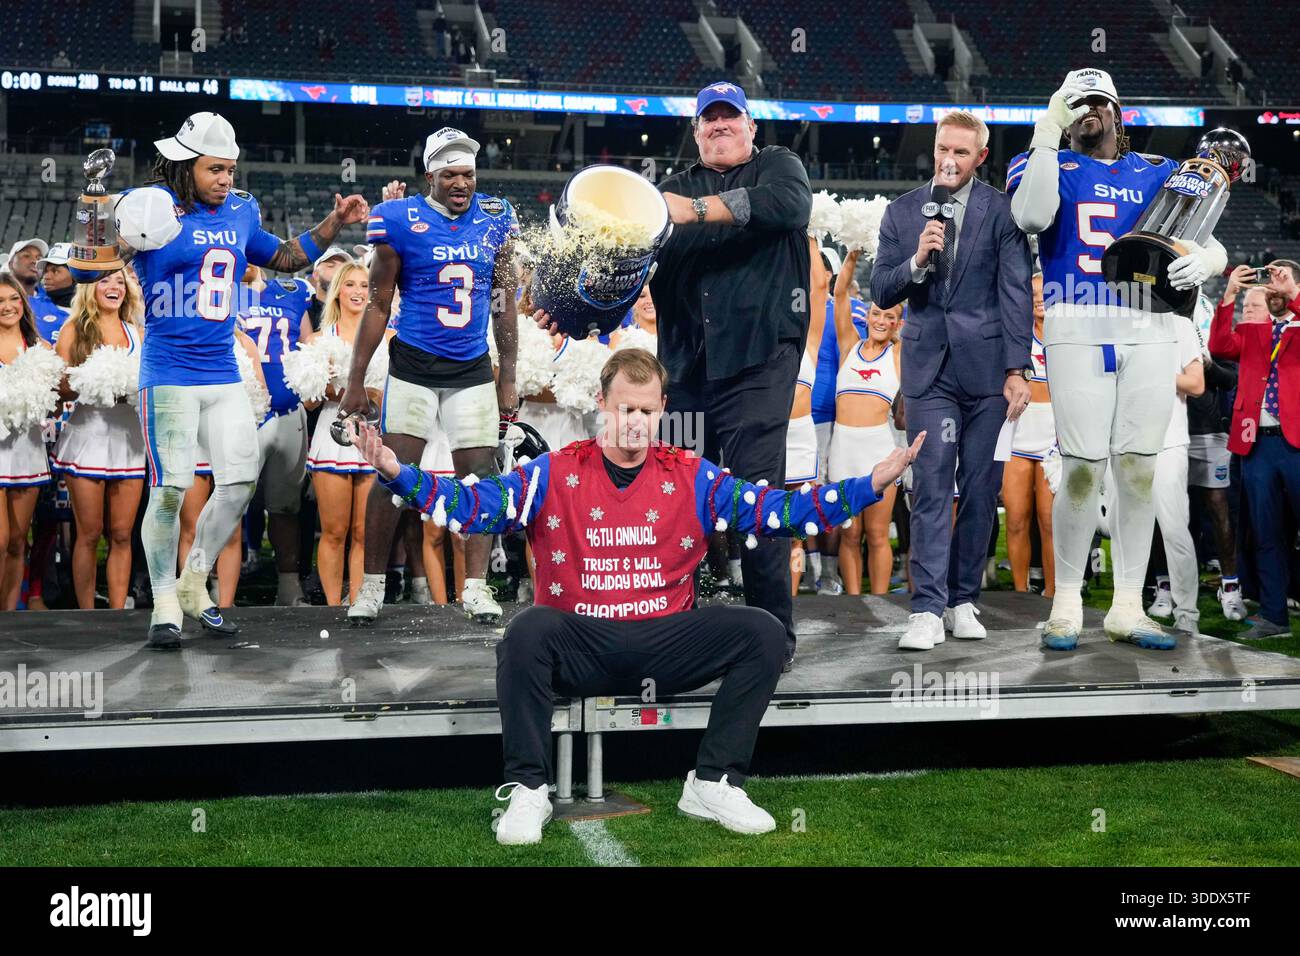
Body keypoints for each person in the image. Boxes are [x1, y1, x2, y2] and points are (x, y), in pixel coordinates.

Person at [352, 347, 925, 845]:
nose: (636, 423)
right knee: (526, 632)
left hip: (663, 642)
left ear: (663, 412)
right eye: (626, 409)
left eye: (648, 412)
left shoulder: (693, 474)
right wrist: (395, 470)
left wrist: (870, 484)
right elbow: (470, 507)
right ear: (603, 404)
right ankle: (529, 788)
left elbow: (776, 512)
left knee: (763, 631)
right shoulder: (553, 471)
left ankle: (713, 782)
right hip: (580, 641)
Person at [81, 111, 368, 649]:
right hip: (167, 372)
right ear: (186, 166)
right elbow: (86, 271)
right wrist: (93, 210)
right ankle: (163, 600)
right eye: (216, 169)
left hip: (222, 370)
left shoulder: (241, 209)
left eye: (231, 170)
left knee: (238, 483)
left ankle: (194, 580)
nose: (226, 180)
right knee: (169, 491)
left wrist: (334, 224)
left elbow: (282, 256)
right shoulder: (151, 207)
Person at [1007, 69, 1227, 650]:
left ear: (1118, 110)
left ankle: (1128, 607)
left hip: (1150, 323)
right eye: (1077, 102)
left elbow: (1208, 232)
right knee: (1081, 468)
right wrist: (1046, 129)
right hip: (1075, 319)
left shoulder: (1157, 170)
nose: (1088, 111)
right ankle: (1066, 604)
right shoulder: (1044, 157)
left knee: (1138, 469)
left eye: (1098, 101)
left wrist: (1206, 262)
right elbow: (1030, 217)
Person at [647, 81, 813, 667]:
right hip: (688, 370)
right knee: (675, 497)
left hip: (759, 362)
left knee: (757, 494)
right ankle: (671, 627)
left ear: (750, 127)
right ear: (695, 132)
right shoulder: (668, 188)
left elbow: (788, 208)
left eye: (729, 117)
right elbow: (631, 262)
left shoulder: (779, 165)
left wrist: (692, 213)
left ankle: (771, 638)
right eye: (708, 119)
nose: (719, 126)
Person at [338, 127, 520, 626]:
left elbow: (504, 306)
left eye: (468, 174)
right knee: (394, 478)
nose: (461, 183)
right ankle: (371, 587)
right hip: (414, 364)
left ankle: (477, 588)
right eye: (450, 175)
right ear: (430, 177)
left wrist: (509, 374)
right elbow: (378, 304)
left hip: (472, 368)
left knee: (481, 478)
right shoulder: (398, 219)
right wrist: (356, 381)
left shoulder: (496, 218)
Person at [873, 109, 1034, 651]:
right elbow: (880, 290)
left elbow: (1016, 291)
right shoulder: (902, 212)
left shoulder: (1003, 212)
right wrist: (917, 259)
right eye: (944, 149)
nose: (949, 159)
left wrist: (1018, 369)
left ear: (980, 157)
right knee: (932, 486)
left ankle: (963, 600)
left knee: (982, 490)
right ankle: (925, 607)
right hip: (928, 372)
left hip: (989, 373)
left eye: (961, 152)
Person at [1208, 263, 1300, 639]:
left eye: (1281, 284)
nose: (1272, 289)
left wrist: (1292, 292)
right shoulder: (1255, 333)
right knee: (1265, 532)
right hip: (1257, 443)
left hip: (1296, 444)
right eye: (1269, 285)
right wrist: (1229, 294)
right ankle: (1275, 616)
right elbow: (1218, 347)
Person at [51, 272, 147, 608]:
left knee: (122, 533)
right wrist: (93, 382)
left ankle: (117, 611)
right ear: (92, 288)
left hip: (128, 439)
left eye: (120, 282)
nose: (115, 288)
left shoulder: (137, 333)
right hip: (89, 436)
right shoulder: (74, 329)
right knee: (88, 534)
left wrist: (130, 388)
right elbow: (59, 385)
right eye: (106, 282)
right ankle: (88, 613)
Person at [306, 263, 393, 606]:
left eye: (365, 285)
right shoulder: (317, 340)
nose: (358, 291)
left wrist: (377, 396)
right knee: (334, 531)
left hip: (374, 438)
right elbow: (310, 403)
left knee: (363, 532)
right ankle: (330, 607)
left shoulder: (389, 339)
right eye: (351, 285)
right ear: (337, 291)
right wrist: (335, 389)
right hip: (332, 438)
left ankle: (358, 603)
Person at [237, 265, 313, 607]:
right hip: (239, 413)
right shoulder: (215, 289)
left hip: (287, 409)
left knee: (286, 507)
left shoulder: (293, 290)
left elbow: (309, 347)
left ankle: (288, 585)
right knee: (229, 502)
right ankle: (217, 585)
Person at [831, 248, 904, 596]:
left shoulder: (900, 354)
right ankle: (853, 605)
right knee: (849, 533)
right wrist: (851, 258)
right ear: (868, 315)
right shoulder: (850, 346)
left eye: (889, 316)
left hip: (878, 448)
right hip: (843, 447)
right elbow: (839, 294)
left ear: (897, 323)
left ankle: (880, 602)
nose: (880, 320)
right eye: (876, 313)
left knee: (877, 535)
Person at [1145, 310, 1206, 635]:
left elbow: (1196, 383)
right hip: (1126, 441)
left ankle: (1187, 615)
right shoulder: (1115, 320)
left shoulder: (1180, 325)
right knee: (1127, 532)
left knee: (1174, 530)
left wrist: (1151, 373)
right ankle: (1126, 608)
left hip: (1168, 442)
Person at [1001, 270, 1058, 597]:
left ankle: (1053, 593)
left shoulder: (1065, 335)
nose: (1039, 299)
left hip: (1052, 435)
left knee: (1049, 522)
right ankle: (1021, 594)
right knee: (1017, 520)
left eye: (1044, 293)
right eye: (1033, 294)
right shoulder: (1016, 336)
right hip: (1019, 431)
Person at [0, 275, 54, 609]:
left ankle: (8, 616)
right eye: (0, 301)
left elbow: (55, 401)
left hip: (26, 451)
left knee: (19, 541)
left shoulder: (40, 349)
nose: (7, 307)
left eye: (13, 299)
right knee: (1, 539)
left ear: (24, 302)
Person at [785, 238, 829, 596]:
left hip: (800, 438)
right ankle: (765, 598)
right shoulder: (763, 343)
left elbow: (819, 285)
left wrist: (810, 238)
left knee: (795, 531)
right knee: (763, 524)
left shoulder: (810, 342)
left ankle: (791, 598)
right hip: (767, 436)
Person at [32, 243, 76, 344]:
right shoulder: (31, 306)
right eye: (46, 271)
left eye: (55, 271)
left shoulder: (93, 310)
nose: (46, 276)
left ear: (76, 274)